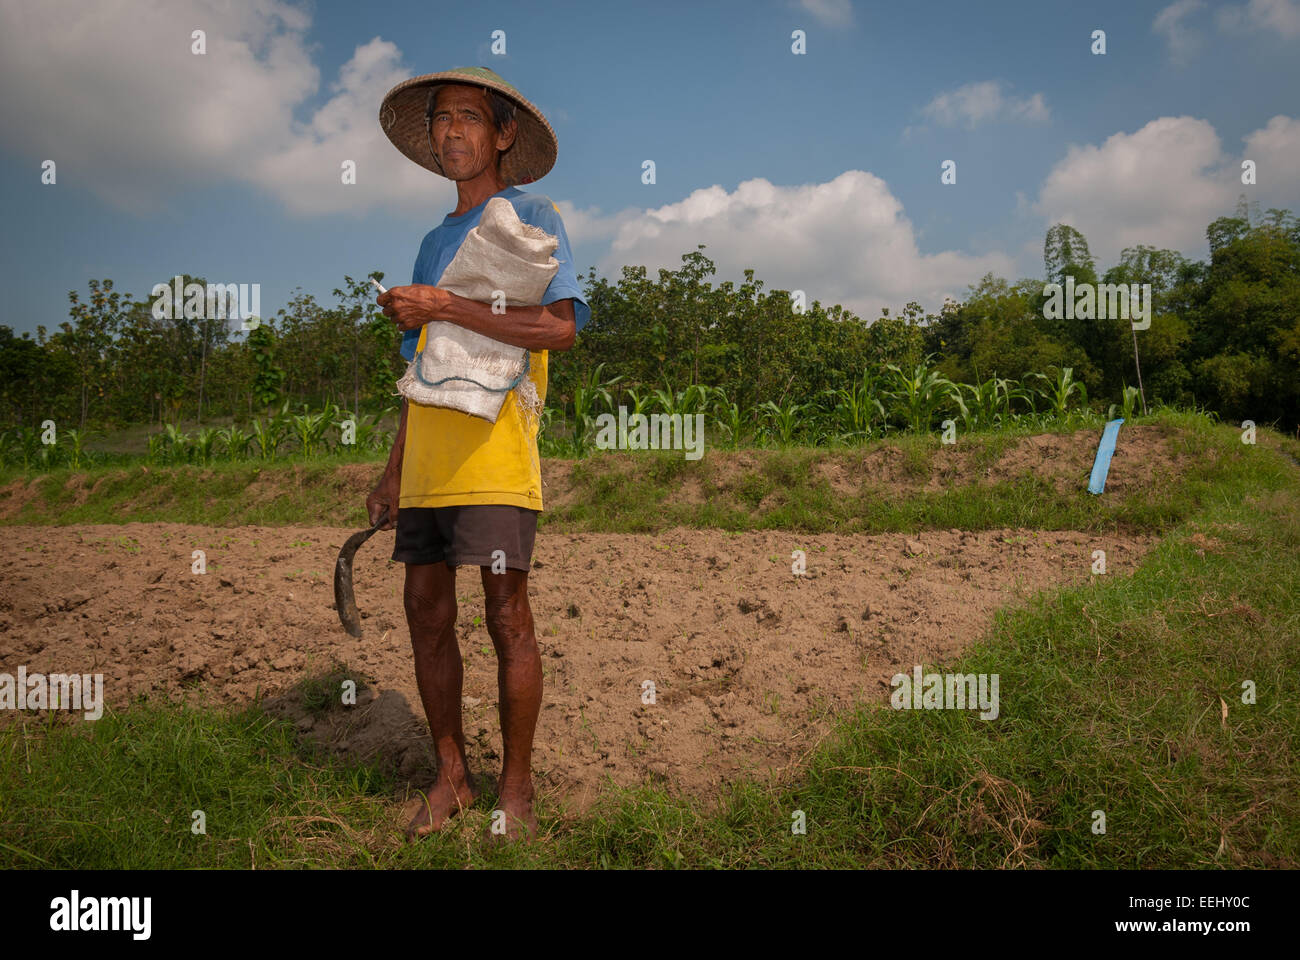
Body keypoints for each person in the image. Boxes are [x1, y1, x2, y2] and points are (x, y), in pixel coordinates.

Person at [367, 66, 589, 842]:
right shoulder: (433, 241)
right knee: (425, 613)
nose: (452, 131)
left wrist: (441, 303)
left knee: (505, 614)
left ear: (502, 136)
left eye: (469, 117)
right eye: (440, 120)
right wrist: (392, 470)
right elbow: (420, 366)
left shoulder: (533, 218)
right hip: (428, 457)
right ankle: (452, 775)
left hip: (496, 452)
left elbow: (559, 328)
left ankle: (517, 790)